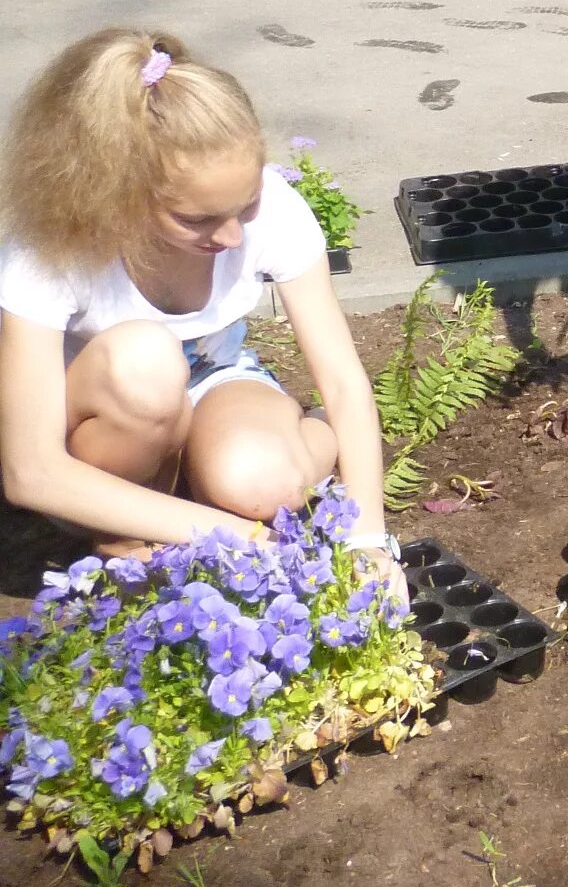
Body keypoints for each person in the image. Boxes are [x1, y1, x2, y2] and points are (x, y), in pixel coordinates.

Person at [0, 30, 399, 590]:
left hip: (219, 382)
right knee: (143, 359)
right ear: (115, 193)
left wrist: (368, 541)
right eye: (198, 220)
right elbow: (30, 472)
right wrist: (234, 534)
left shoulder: (273, 212)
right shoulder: (49, 252)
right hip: (101, 427)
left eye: (246, 205)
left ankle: (287, 443)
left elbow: (342, 380)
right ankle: (125, 530)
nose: (233, 236)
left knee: (264, 485)